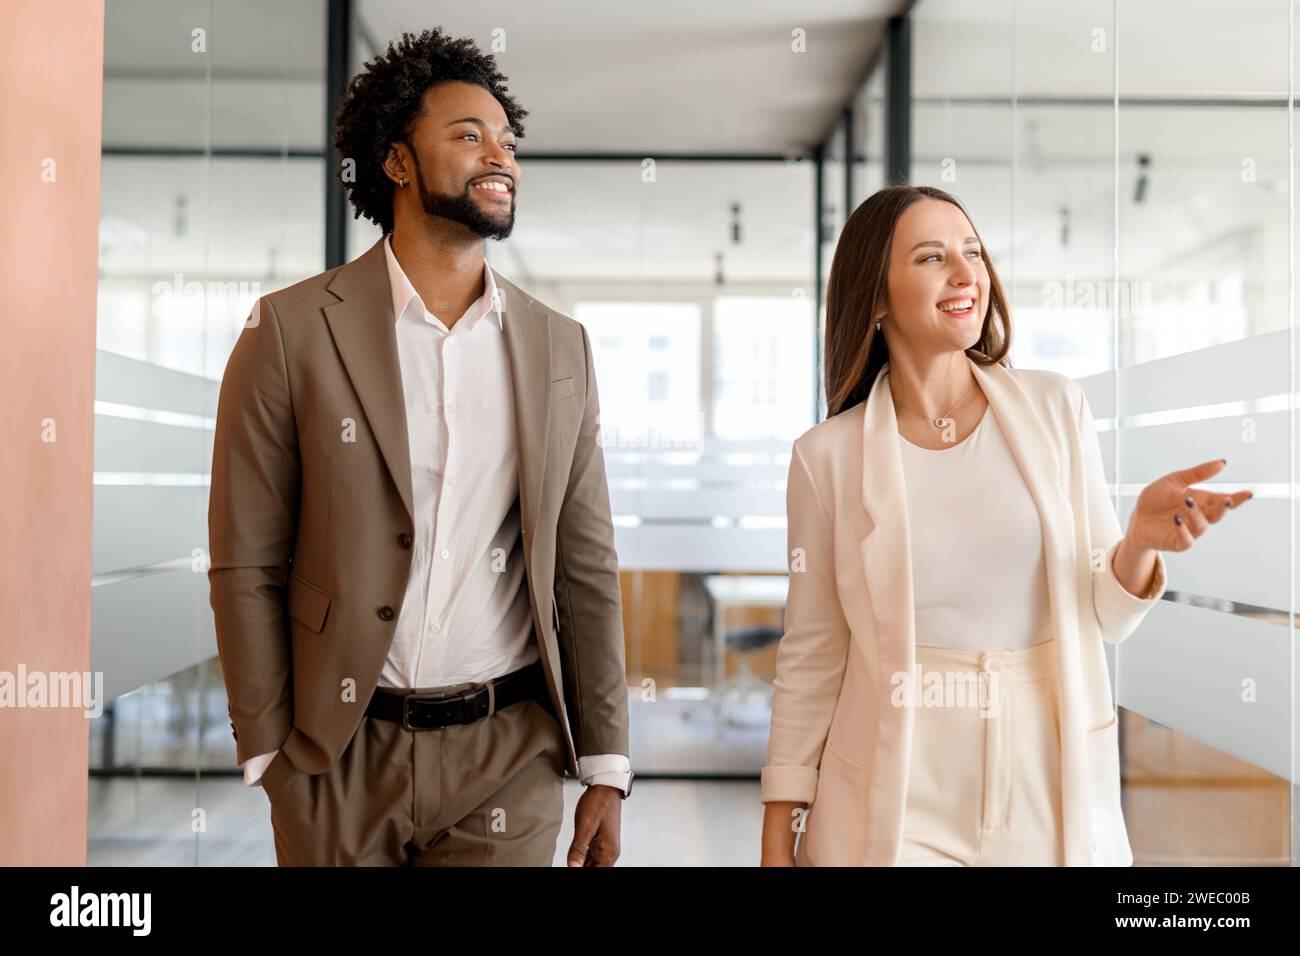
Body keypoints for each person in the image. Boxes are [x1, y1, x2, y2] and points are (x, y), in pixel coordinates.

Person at [208, 28, 631, 867]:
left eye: (507, 141)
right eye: (469, 136)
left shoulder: (559, 347)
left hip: (508, 756)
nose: (499, 157)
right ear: (398, 162)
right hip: (336, 757)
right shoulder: (290, 331)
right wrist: (267, 753)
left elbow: (583, 561)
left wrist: (606, 762)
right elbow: (245, 558)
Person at [759, 184, 1252, 866]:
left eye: (973, 252)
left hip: (1043, 780)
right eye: (933, 258)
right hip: (894, 791)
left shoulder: (1055, 410)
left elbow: (1106, 615)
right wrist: (778, 835)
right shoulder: (825, 458)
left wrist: (1138, 541)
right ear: (875, 296)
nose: (966, 275)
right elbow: (812, 655)